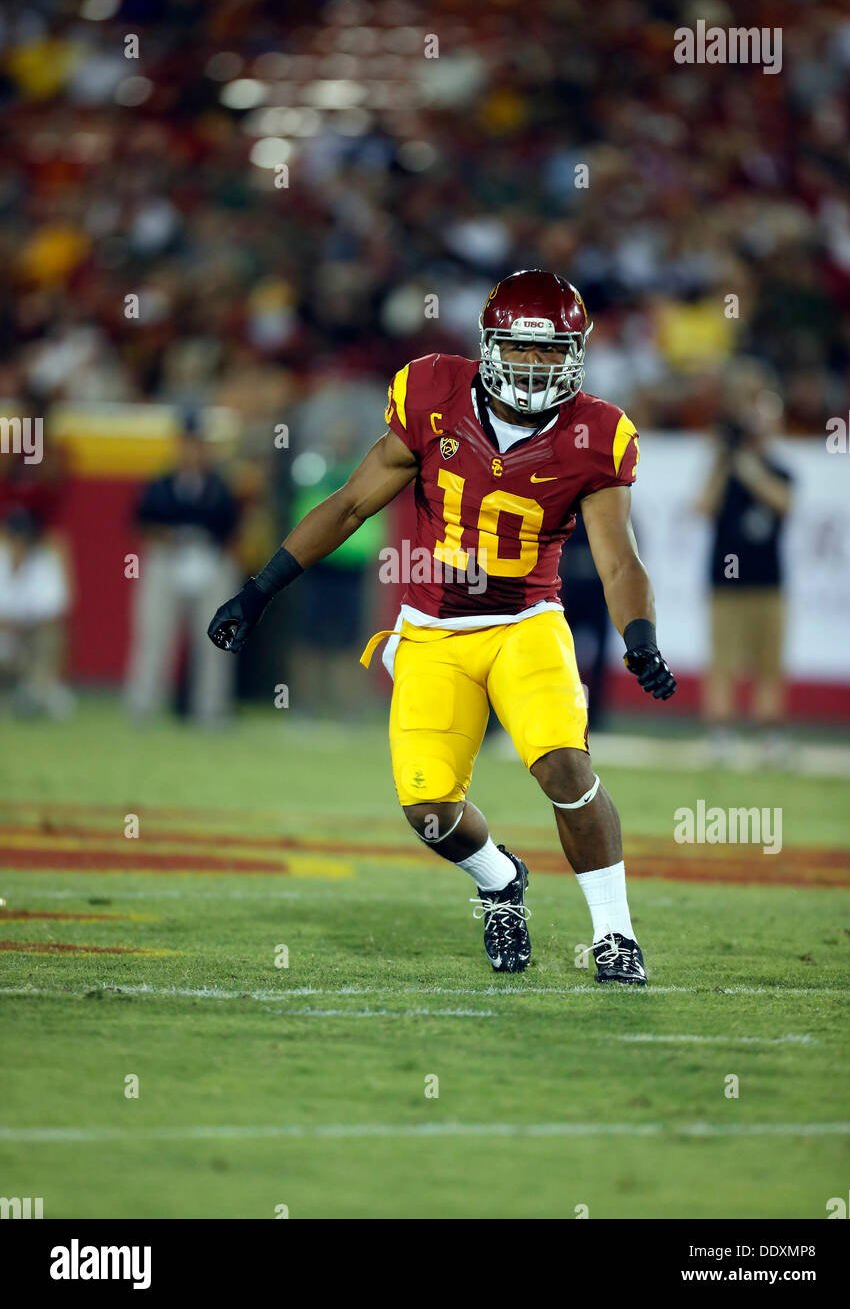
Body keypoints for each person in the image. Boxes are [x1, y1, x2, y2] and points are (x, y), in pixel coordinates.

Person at [208, 271, 676, 984]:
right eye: (521, 348)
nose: (535, 365)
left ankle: (615, 936)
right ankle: (499, 881)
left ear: (576, 355)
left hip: (526, 622)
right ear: (487, 345)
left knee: (564, 766)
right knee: (427, 806)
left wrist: (637, 637)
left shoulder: (596, 432)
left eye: (552, 352)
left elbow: (619, 559)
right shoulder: (432, 393)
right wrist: (259, 589)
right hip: (432, 630)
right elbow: (349, 506)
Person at [126, 413, 240, 725]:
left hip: (209, 560)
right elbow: (140, 523)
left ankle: (212, 711)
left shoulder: (219, 486)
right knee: (154, 636)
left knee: (217, 639)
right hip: (167, 559)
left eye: (198, 445)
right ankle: (142, 706)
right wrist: (170, 536)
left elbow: (233, 529)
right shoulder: (160, 484)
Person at [697, 395, 793, 759]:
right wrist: (726, 462)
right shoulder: (724, 471)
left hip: (769, 584)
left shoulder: (778, 471)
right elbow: (703, 507)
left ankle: (770, 738)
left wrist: (750, 469)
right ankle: (720, 737)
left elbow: (784, 502)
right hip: (726, 583)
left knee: (770, 663)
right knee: (723, 662)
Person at [0, 507, 74, 717]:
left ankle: (36, 691)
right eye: (15, 538)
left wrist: (16, 623)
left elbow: (54, 611)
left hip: (27, 641)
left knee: (51, 632)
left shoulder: (44, 561)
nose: (19, 544)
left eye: (25, 539)